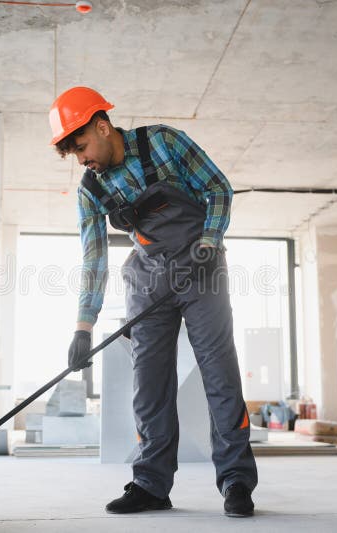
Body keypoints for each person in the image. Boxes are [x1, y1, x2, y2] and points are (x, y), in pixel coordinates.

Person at [49, 86, 258, 517]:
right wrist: (82, 328)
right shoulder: (91, 188)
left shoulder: (162, 142)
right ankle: (151, 484)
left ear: (102, 126)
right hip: (148, 279)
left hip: (200, 270)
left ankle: (236, 480)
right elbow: (94, 256)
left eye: (83, 146)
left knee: (220, 377)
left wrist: (209, 244)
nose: (82, 159)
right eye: (74, 154)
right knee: (149, 387)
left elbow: (218, 188)